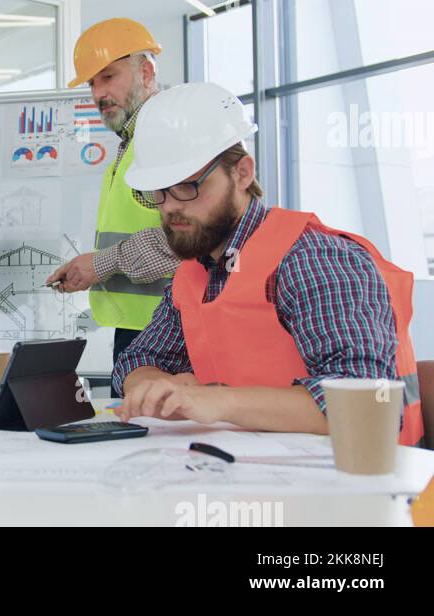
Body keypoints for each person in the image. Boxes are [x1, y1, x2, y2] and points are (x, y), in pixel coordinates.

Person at [110, 82, 424, 446]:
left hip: (362, 482)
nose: (169, 207)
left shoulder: (312, 261)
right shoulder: (197, 269)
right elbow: (136, 360)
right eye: (157, 192)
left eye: (186, 186)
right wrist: (154, 388)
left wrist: (217, 399)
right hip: (256, 468)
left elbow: (367, 403)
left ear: (243, 173)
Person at [45, 18, 180, 366]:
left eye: (108, 76)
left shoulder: (166, 135)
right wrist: (92, 268)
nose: (97, 94)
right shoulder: (134, 141)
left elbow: (188, 236)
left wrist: (102, 264)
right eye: (92, 82)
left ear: (146, 72)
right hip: (144, 326)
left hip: (171, 330)